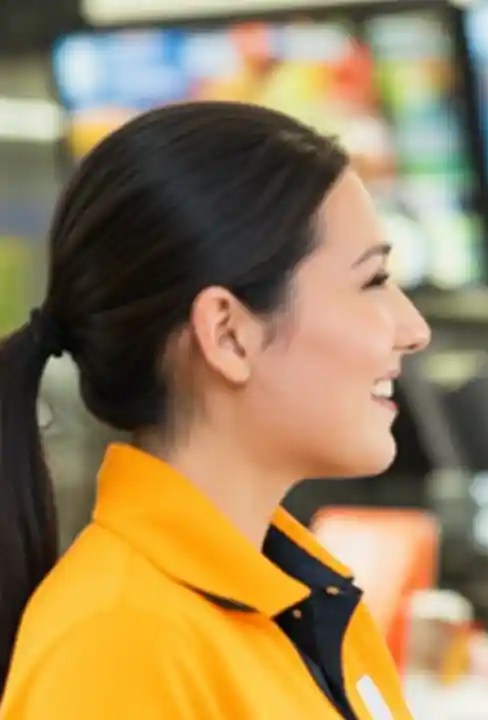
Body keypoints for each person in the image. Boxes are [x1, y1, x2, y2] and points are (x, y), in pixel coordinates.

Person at [0, 101, 430, 718]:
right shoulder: (119, 646)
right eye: (372, 281)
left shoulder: (310, 605)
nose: (413, 329)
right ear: (227, 334)